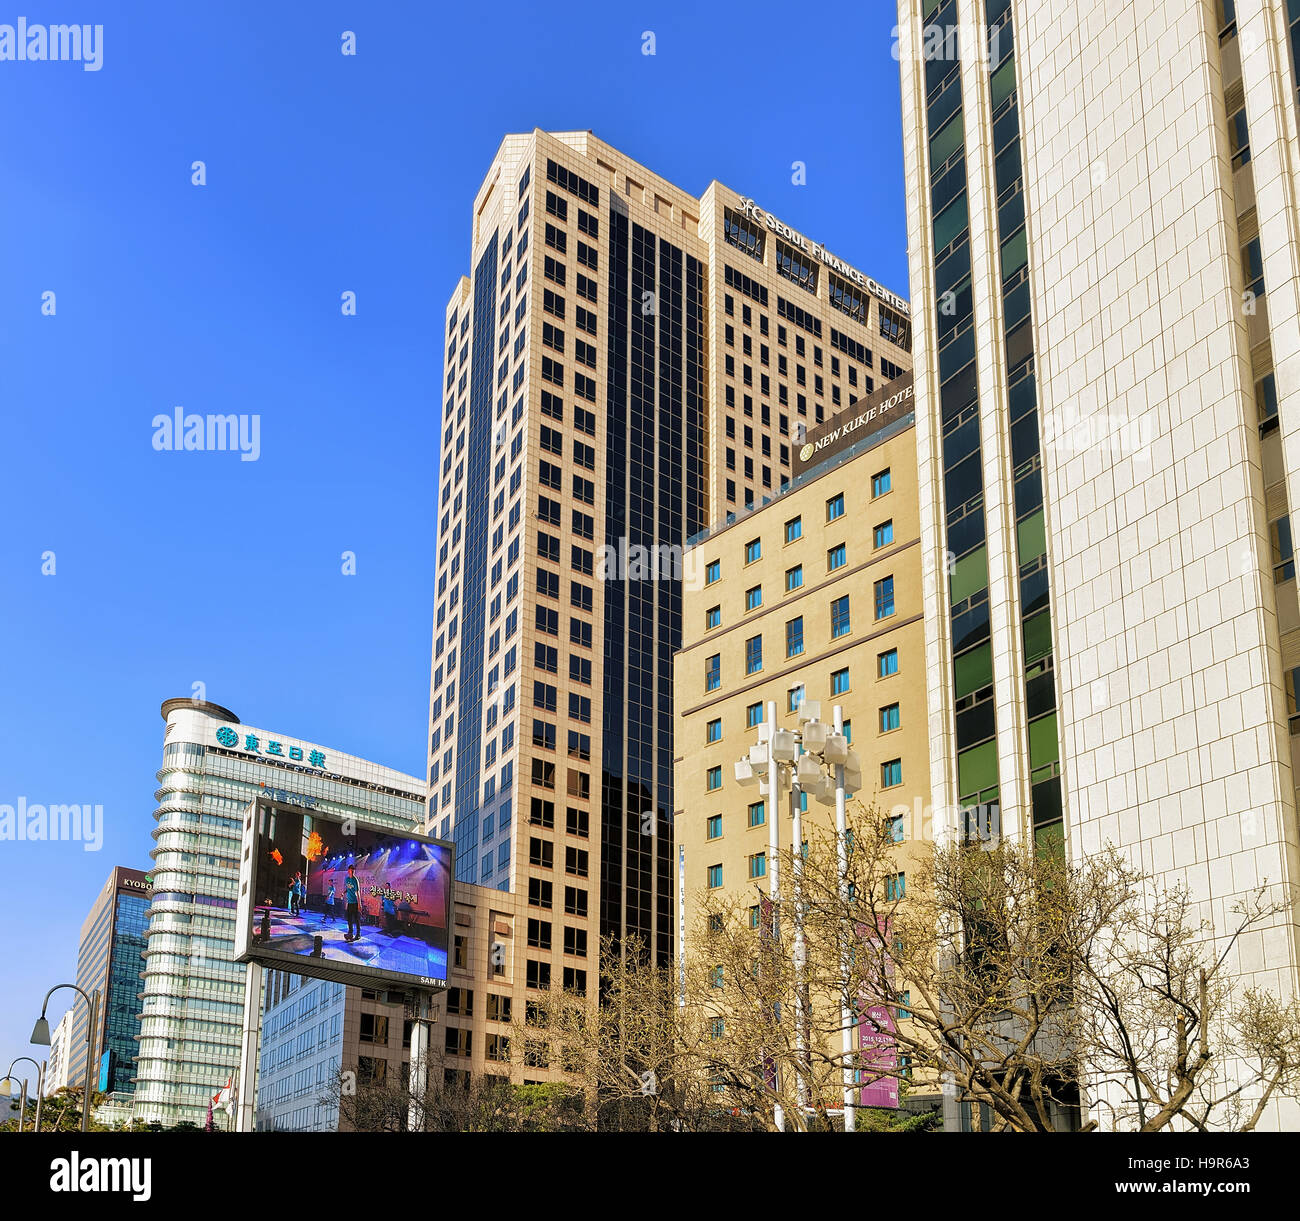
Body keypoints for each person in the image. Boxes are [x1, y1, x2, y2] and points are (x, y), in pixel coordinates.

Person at [344, 865, 361, 942]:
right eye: (351, 870)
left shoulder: (355, 880)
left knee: (356, 919)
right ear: (348, 871)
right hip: (349, 902)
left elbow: (358, 892)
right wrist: (343, 893)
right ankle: (350, 933)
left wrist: (359, 904)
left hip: (355, 902)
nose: (352, 872)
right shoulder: (347, 879)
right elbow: (348, 889)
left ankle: (358, 934)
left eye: (353, 871)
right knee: (349, 918)